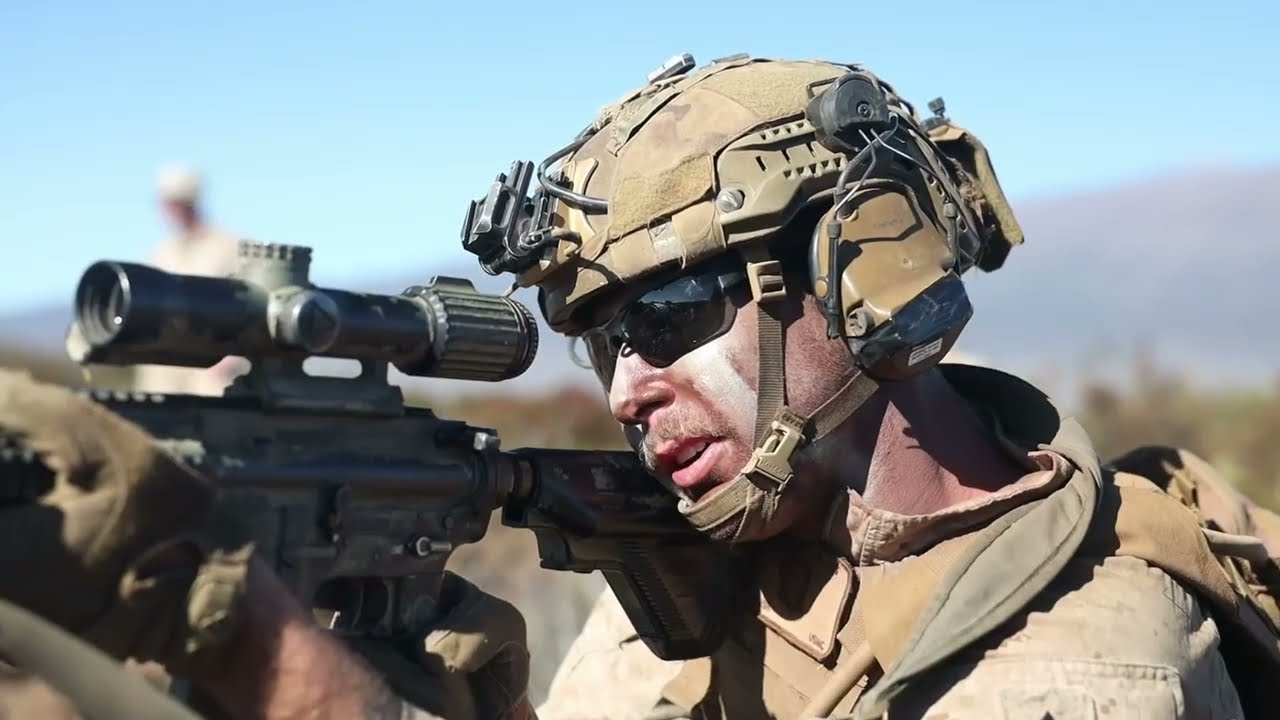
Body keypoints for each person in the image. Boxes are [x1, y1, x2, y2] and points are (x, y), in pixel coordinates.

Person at [0, 55, 1274, 720]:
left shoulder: (1081, 673)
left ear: (860, 273)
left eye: (665, 315)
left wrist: (254, 640)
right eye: (595, 339)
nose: (625, 388)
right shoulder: (717, 553)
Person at [131, 166, 246, 396]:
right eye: (166, 203)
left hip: (211, 365)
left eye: (178, 201)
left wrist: (236, 354)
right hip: (165, 364)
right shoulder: (162, 252)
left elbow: (252, 303)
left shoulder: (228, 246)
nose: (171, 210)